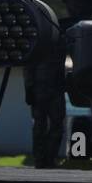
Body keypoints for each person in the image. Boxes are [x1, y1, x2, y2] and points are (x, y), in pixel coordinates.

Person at [25, 33, 67, 169]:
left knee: (50, 126)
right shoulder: (40, 42)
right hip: (43, 89)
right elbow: (28, 67)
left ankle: (46, 159)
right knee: (43, 126)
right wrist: (29, 88)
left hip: (50, 88)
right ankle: (43, 159)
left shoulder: (46, 42)